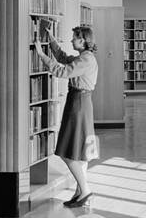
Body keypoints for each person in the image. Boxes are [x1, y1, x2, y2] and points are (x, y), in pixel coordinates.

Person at [37, 24, 100, 208]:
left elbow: (63, 71)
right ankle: (80, 192)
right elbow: (64, 58)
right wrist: (51, 39)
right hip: (81, 102)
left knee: (68, 152)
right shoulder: (85, 57)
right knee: (80, 153)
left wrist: (41, 56)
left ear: (83, 40)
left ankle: (85, 190)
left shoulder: (86, 60)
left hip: (78, 104)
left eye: (75, 37)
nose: (72, 39)